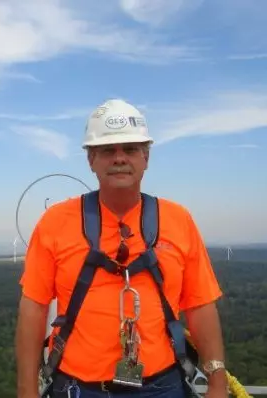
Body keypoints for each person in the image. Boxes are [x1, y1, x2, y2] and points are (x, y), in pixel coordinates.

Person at [15, 99, 228, 398]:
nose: (119, 158)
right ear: (91, 160)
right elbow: (33, 307)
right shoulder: (55, 222)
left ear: (146, 157)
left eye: (130, 149)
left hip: (162, 384)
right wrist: (26, 390)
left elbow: (200, 304)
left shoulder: (178, 220)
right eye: (107, 150)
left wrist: (217, 382)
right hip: (78, 386)